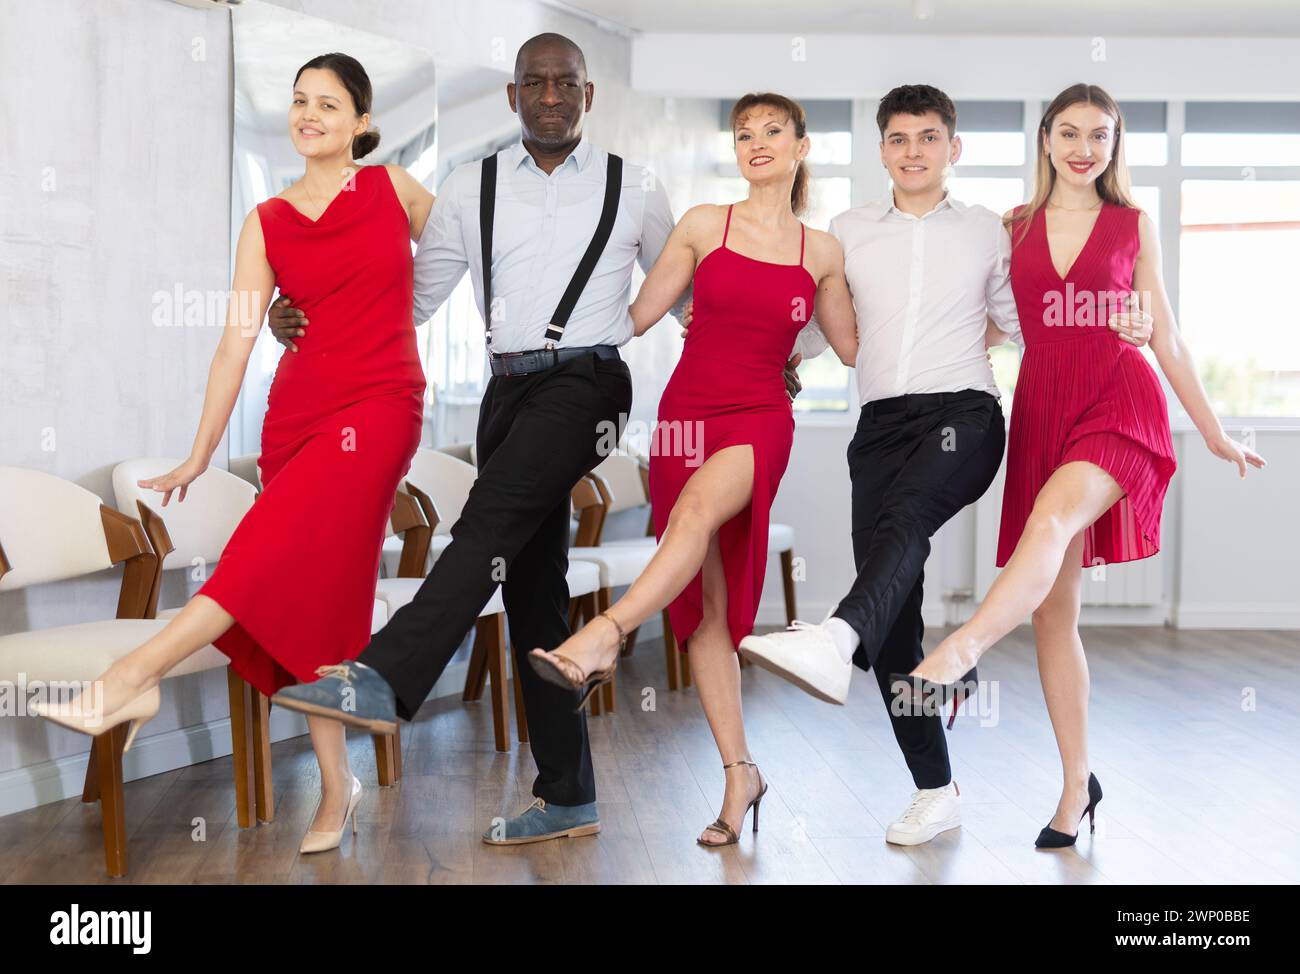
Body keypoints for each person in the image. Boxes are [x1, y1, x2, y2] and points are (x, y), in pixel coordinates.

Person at [269, 34, 685, 847]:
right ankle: (567, 794)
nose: (553, 95)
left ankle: (385, 677)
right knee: (532, 588)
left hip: (590, 384)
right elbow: (404, 301)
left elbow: (686, 294)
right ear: (514, 97)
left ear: (589, 95)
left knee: (485, 522)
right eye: (537, 83)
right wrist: (299, 318)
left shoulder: (635, 186)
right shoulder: (470, 187)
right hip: (508, 395)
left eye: (568, 82)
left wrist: (779, 359)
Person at [733, 84, 1157, 847]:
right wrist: (772, 354)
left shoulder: (990, 234)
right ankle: (936, 788)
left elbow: (1030, 317)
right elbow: (824, 323)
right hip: (880, 426)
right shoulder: (846, 231)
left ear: (952, 148)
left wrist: (1128, 316)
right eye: (898, 139)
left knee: (905, 525)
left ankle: (834, 637)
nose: (914, 151)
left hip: (964, 417)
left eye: (929, 138)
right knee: (894, 622)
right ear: (882, 150)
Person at [32, 53, 432, 854]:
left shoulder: (398, 191)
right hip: (297, 417)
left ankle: (129, 678)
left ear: (361, 121)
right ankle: (336, 788)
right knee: (323, 606)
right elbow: (234, 346)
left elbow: (453, 268)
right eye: (298, 102)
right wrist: (196, 453)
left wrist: (403, 320)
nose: (308, 115)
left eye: (328, 103)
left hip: (382, 407)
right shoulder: (267, 220)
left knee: (257, 552)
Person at [895, 83, 1265, 848]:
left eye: (1100, 135)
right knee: (1055, 615)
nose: (1084, 147)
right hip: (1043, 405)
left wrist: (1216, 431)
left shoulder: (1133, 222)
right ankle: (1075, 789)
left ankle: (957, 654)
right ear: (1045, 140)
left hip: (1117, 397)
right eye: (1069, 132)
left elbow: (1167, 337)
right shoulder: (1014, 226)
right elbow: (989, 322)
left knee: (1054, 516)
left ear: (1115, 145)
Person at [529, 93, 858, 848]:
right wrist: (542, 327)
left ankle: (603, 636)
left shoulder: (824, 252)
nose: (757, 142)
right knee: (707, 619)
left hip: (758, 420)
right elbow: (633, 315)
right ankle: (741, 771)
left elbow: (854, 346)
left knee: (692, 518)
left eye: (774, 130)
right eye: (745, 133)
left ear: (802, 147)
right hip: (684, 416)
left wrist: (989, 318)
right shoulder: (706, 224)